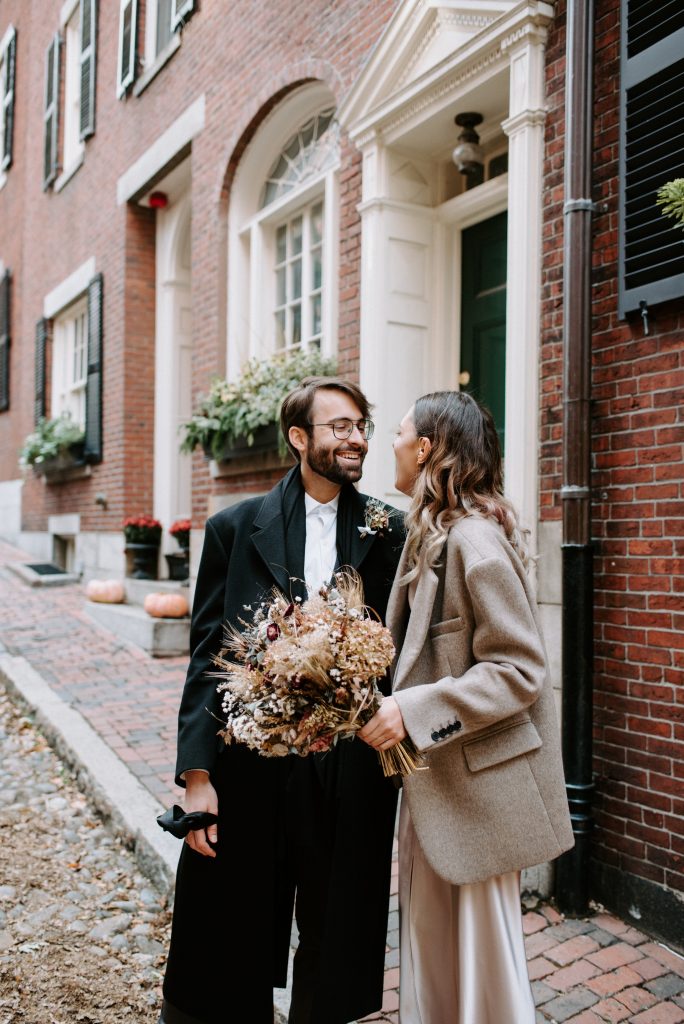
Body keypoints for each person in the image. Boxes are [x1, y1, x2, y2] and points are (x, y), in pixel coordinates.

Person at [159, 376, 405, 1024]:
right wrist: (197, 775)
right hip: (253, 765)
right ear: (300, 438)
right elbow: (208, 656)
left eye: (361, 426)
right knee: (232, 929)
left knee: (337, 929)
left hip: (349, 771)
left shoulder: (390, 530)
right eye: (340, 427)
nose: (356, 439)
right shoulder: (233, 529)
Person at [359, 391, 574, 1024]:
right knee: (433, 950)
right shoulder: (430, 535)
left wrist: (414, 711)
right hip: (438, 788)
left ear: (425, 448)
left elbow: (520, 670)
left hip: (478, 793)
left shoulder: (474, 542)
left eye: (397, 433)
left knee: (485, 971)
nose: (388, 444)